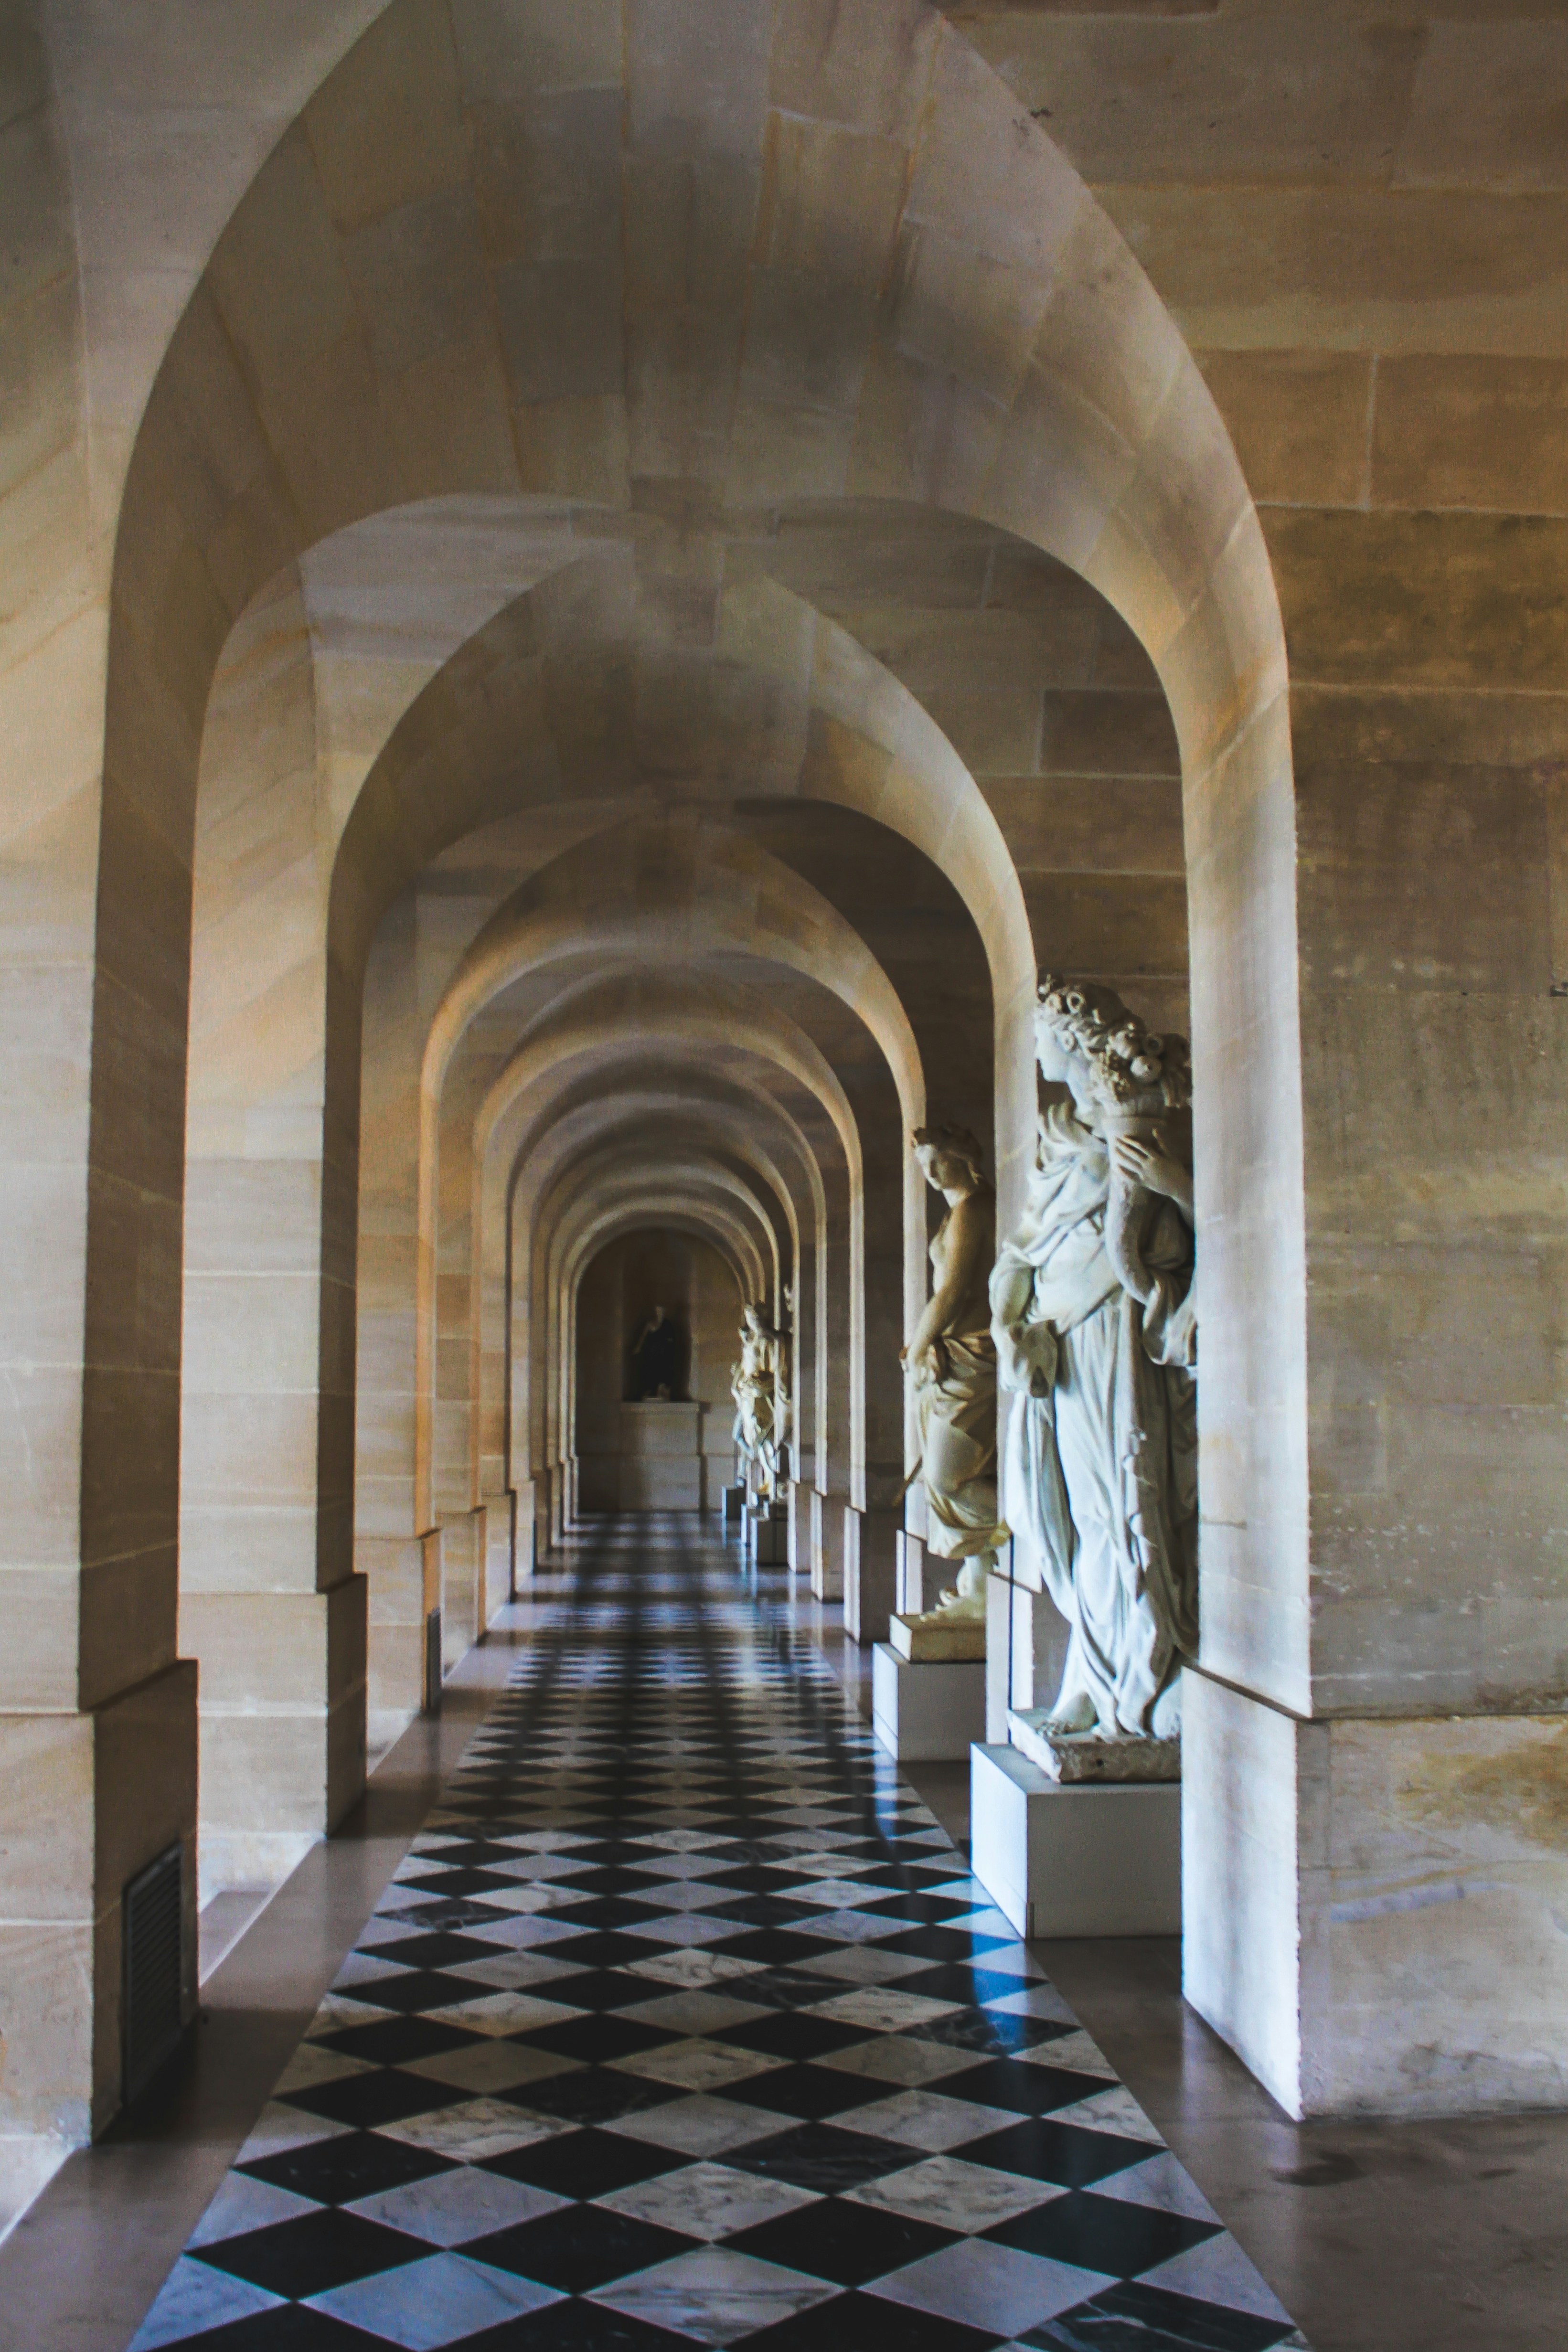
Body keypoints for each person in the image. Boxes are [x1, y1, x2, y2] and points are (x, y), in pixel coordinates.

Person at [991, 976, 1198, 1740]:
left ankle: (1141, 1682)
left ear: (1071, 1040)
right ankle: (1091, 1667)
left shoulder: (1137, 1131)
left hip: (1116, 1340)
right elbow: (1021, 1252)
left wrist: (1171, 1184)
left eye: (1042, 1031)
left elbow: (1199, 1232)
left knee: (1126, 1506)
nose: (1034, 1046)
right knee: (1077, 1517)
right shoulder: (1056, 1141)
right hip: (1061, 1353)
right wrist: (1008, 1325)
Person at [900, 1124, 1008, 1623]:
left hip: (974, 1354)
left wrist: (919, 1345)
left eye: (935, 1161)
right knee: (950, 1477)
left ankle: (1027, 1527)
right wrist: (922, 1346)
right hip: (954, 1355)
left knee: (946, 1475)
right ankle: (979, 1586)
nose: (928, 1172)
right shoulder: (958, 1211)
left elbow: (955, 1292)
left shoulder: (973, 1208)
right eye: (923, 1163)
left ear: (963, 1157)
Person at [630, 1304, 681, 1400]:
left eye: (662, 1311)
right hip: (652, 1353)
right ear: (656, 1312)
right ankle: (651, 1390)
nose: (660, 1313)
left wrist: (668, 1346)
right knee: (651, 1370)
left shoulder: (668, 1325)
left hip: (664, 1353)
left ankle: (662, 1391)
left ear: (664, 1312)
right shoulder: (651, 1324)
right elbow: (643, 1337)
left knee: (663, 1371)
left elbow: (672, 1341)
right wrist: (639, 1347)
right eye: (658, 1311)